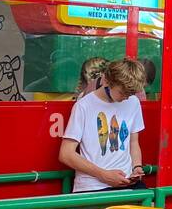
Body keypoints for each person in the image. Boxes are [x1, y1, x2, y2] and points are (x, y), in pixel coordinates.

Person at [60, 59, 147, 192]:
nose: (126, 98)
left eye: (130, 94)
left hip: (127, 182)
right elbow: (66, 154)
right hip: (92, 186)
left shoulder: (133, 102)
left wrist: (137, 167)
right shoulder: (83, 106)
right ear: (106, 81)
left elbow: (133, 143)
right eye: (122, 93)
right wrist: (103, 175)